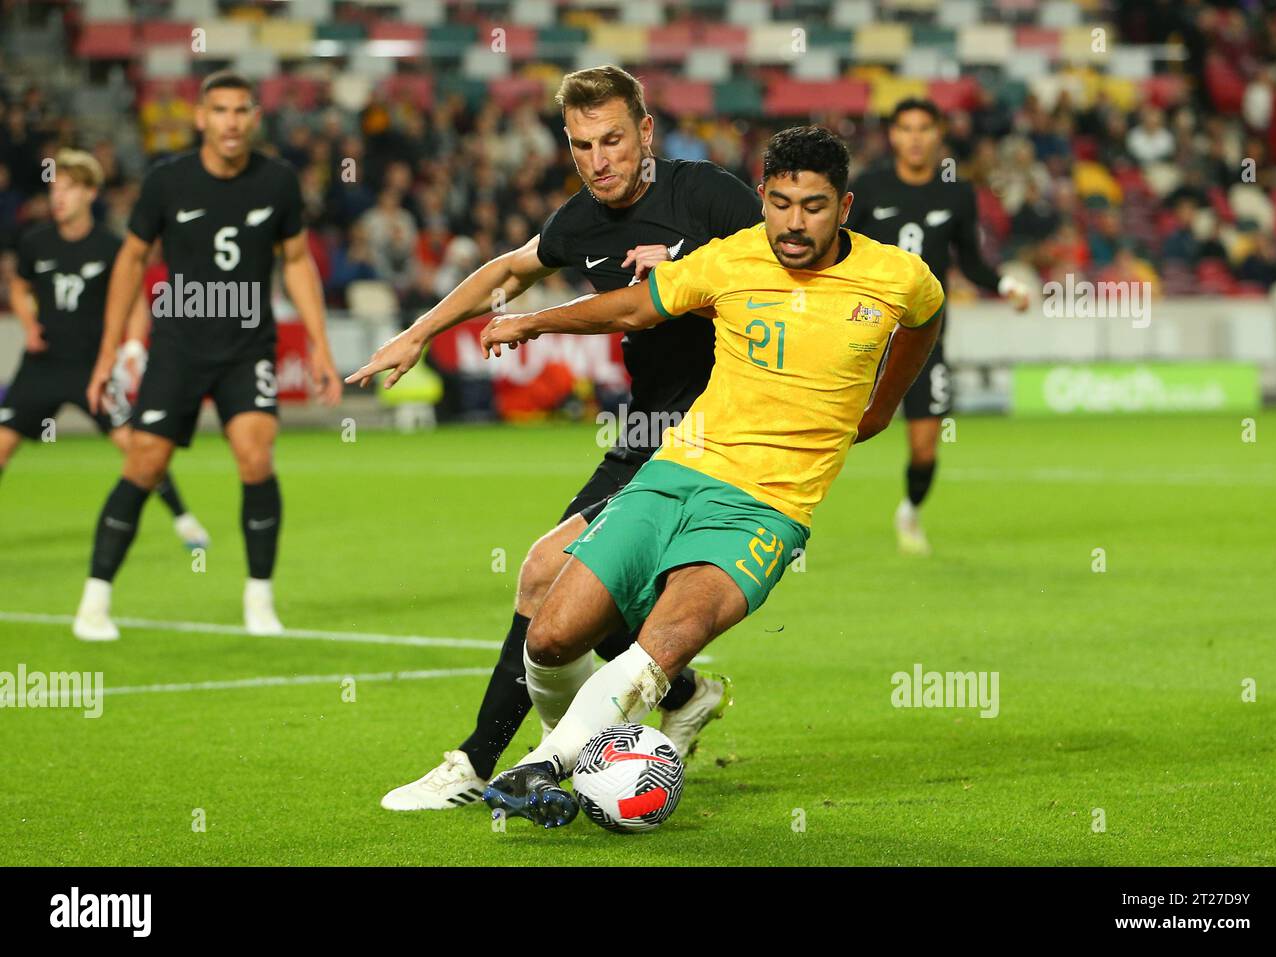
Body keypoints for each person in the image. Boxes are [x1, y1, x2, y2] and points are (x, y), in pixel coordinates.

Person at [476, 125, 945, 827]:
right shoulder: (730, 259)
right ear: (763, 197)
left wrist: (879, 406)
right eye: (780, 202)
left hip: (763, 509)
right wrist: (536, 321)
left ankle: (543, 764)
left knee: (663, 640)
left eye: (812, 206)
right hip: (674, 473)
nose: (793, 221)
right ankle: (586, 750)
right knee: (549, 638)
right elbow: (637, 306)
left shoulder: (896, 276)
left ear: (844, 207)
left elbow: (924, 318)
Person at [347, 65, 763, 811]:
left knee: (544, 573)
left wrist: (688, 277)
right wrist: (418, 332)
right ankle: (686, 695)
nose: (598, 160)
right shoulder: (582, 219)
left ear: (645, 132)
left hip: (724, 434)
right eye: (580, 146)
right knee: (562, 591)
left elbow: (781, 306)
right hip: (646, 433)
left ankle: (479, 764)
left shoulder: (710, 197)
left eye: (611, 140)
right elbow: (510, 269)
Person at [72, 71, 342, 642]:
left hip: (248, 347)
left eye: (242, 111)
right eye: (220, 111)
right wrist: (109, 352)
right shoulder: (167, 181)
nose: (231, 122)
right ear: (200, 118)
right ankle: (95, 601)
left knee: (256, 456)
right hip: (178, 346)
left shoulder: (278, 181)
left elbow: (295, 261)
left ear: (254, 118)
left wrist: (320, 345)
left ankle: (259, 599)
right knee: (144, 463)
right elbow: (130, 261)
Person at [1, 148, 208, 553]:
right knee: (3, 446)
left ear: (90, 193)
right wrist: (28, 326)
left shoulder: (112, 248)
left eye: (68, 189)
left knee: (137, 447)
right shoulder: (35, 242)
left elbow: (135, 304)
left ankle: (184, 521)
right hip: (41, 367)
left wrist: (131, 347)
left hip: (92, 368)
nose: (58, 197)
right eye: (54, 188)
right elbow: (21, 287)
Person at [846, 99, 1028, 556]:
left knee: (926, 448)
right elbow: (840, 249)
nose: (914, 137)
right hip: (862, 335)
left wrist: (1005, 283)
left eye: (924, 128)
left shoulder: (957, 193)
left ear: (938, 134)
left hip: (925, 338)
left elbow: (970, 260)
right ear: (892, 135)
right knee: (828, 433)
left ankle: (909, 509)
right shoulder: (868, 187)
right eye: (905, 128)